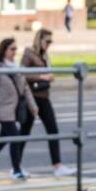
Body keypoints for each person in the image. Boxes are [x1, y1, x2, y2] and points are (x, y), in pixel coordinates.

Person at [20, 29, 75, 176]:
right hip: (32, 98)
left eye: (51, 41)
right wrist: (43, 77)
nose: (49, 44)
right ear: (39, 40)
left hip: (44, 97)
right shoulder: (29, 53)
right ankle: (16, 166)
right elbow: (22, 73)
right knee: (24, 132)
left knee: (53, 130)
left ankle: (58, 166)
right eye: (47, 41)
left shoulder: (44, 56)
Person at [0, 37, 37, 180]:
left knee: (3, 139)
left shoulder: (15, 67)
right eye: (12, 49)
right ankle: (16, 169)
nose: (14, 52)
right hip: (3, 110)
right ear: (4, 50)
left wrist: (33, 105)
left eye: (15, 49)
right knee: (15, 137)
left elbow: (25, 88)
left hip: (14, 109)